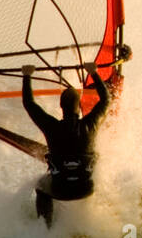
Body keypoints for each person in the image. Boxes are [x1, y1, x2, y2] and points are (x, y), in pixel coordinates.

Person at [21, 63, 112, 227]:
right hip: (87, 188)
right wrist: (93, 72)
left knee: (41, 187)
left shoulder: (51, 126)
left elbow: (29, 104)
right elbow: (106, 100)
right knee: (96, 175)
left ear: (61, 107)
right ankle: (94, 220)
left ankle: (45, 229)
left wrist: (27, 75)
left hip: (60, 190)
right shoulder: (91, 124)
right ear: (79, 106)